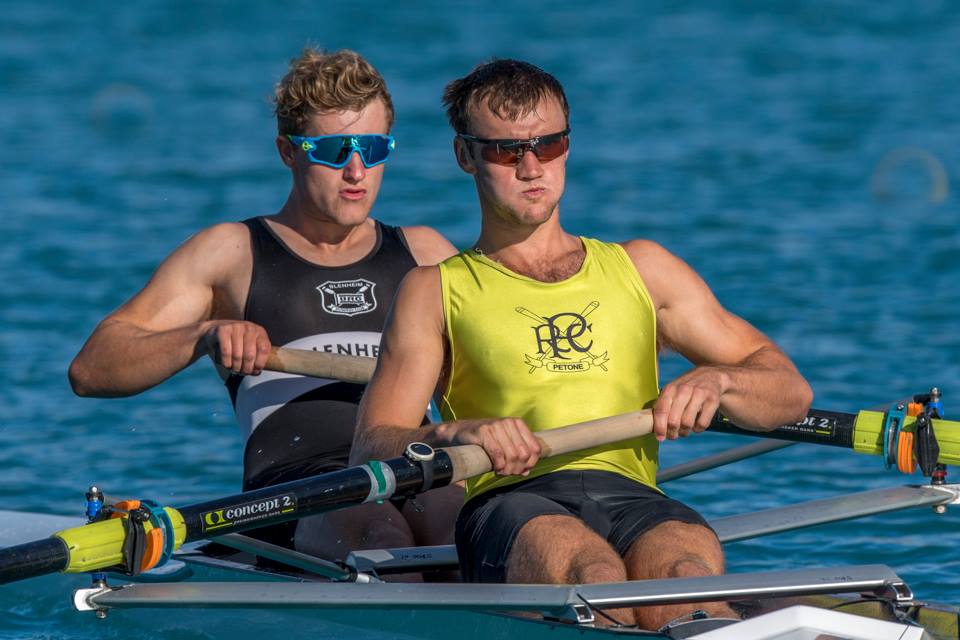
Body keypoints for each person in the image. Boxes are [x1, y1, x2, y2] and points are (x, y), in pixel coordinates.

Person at [351, 59, 813, 627]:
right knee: (593, 574)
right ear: (465, 156)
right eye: (505, 151)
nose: (530, 167)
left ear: (568, 146)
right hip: (510, 502)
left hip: (633, 495)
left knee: (683, 576)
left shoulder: (645, 269)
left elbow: (790, 392)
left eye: (548, 145)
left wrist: (722, 379)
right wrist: (453, 432)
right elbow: (372, 447)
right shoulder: (433, 291)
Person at [68, 48, 460, 564]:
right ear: (288, 151)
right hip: (295, 492)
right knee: (379, 535)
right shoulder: (231, 253)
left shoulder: (426, 254)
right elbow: (91, 368)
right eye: (333, 150)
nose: (357, 170)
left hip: (413, 463)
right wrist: (205, 335)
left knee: (465, 527)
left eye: (372, 147)